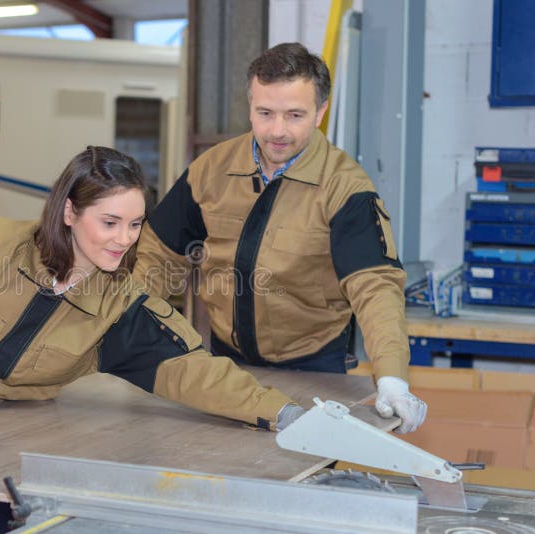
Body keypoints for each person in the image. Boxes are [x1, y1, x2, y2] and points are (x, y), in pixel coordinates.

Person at [0, 146, 303, 534]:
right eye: (110, 222)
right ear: (69, 212)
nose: (124, 240)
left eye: (134, 225)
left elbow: (194, 371)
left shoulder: (119, 308)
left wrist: (279, 412)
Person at [134, 43, 427, 435]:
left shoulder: (345, 187)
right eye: (265, 113)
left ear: (321, 112)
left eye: (295, 115)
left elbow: (374, 285)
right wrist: (128, 329)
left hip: (315, 366)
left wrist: (392, 375)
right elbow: (158, 257)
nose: (277, 131)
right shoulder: (210, 170)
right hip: (227, 362)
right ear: (249, 104)